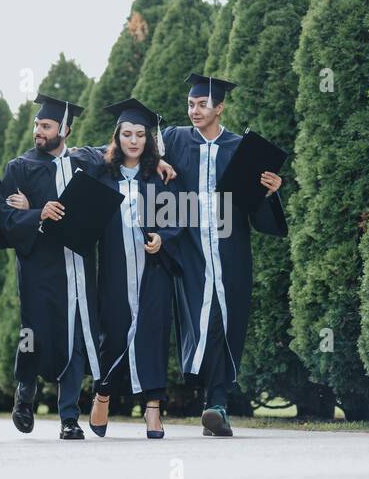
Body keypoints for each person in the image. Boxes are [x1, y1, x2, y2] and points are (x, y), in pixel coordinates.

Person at [161, 73, 285, 437]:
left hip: (230, 251)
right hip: (189, 251)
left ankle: (216, 404)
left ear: (220, 107)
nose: (194, 111)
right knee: (199, 323)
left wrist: (269, 192)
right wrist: (158, 165)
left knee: (224, 320)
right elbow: (131, 152)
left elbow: (256, 213)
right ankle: (211, 400)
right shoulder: (173, 140)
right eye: (190, 104)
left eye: (201, 105)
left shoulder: (240, 148)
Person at [0, 94, 106, 440]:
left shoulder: (83, 163)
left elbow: (118, 153)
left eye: (46, 126)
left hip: (78, 267)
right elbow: (3, 219)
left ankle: (69, 417)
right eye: (37, 125)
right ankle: (25, 391)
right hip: (40, 270)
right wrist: (35, 213)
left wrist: (157, 159)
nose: (38, 131)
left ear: (65, 129)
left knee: (75, 336)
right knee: (34, 334)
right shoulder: (20, 167)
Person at [85, 99, 182, 439]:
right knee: (112, 333)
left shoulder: (160, 177)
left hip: (153, 270)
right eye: (127, 134)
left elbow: (175, 221)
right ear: (117, 137)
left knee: (153, 333)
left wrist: (162, 239)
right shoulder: (102, 174)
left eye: (141, 134)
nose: (134, 141)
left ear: (148, 139)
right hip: (114, 267)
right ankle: (103, 394)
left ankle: (153, 410)